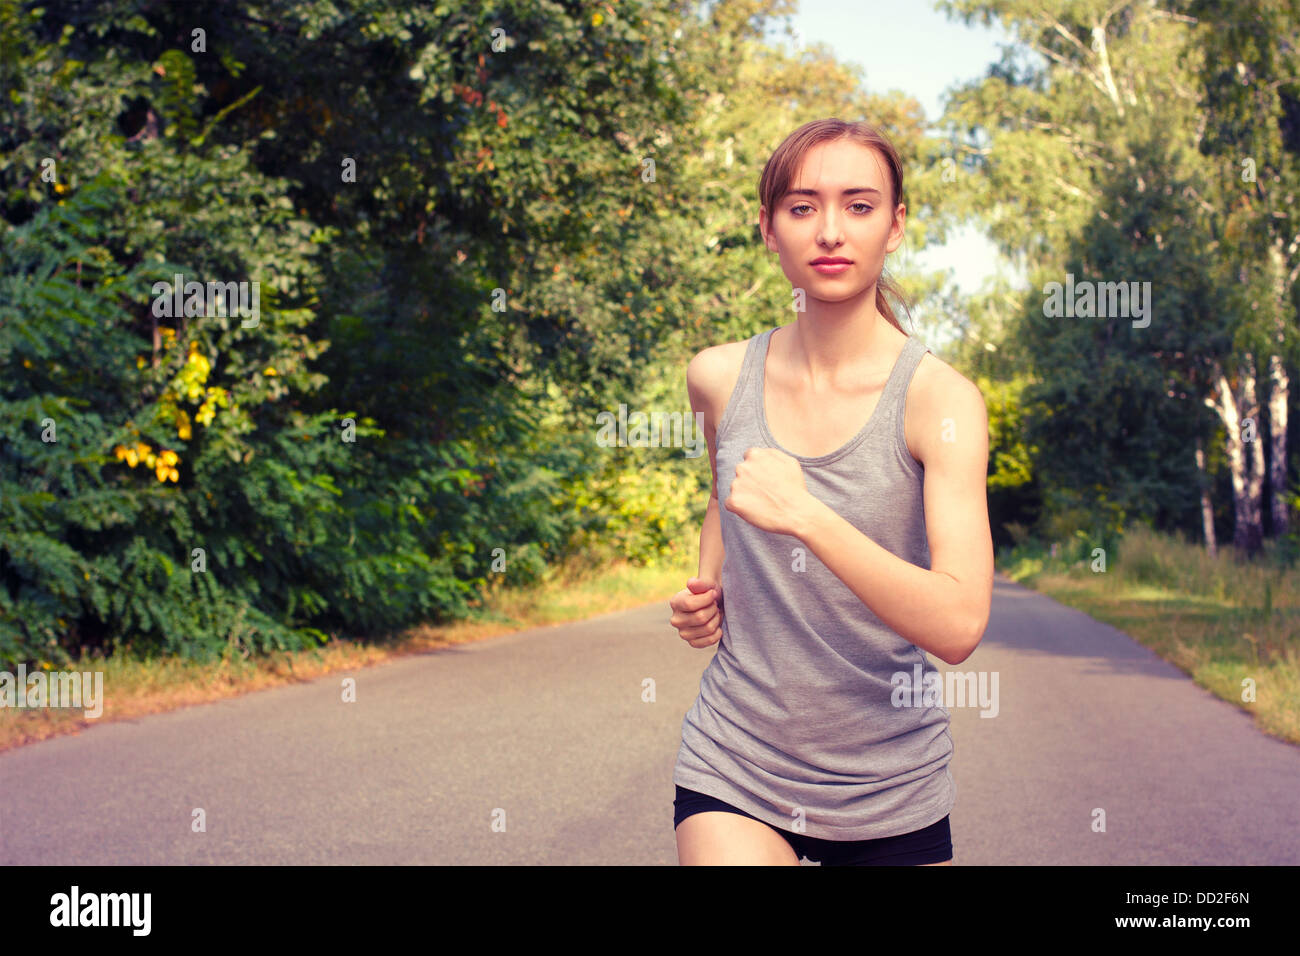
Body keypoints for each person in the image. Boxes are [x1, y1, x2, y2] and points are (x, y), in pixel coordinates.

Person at [668, 117, 994, 866]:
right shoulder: (717, 378)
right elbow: (727, 493)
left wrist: (810, 517)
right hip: (736, 760)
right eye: (802, 206)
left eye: (859, 205)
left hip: (889, 785)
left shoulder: (941, 403)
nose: (830, 232)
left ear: (896, 225)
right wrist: (707, 585)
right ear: (768, 228)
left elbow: (958, 622)